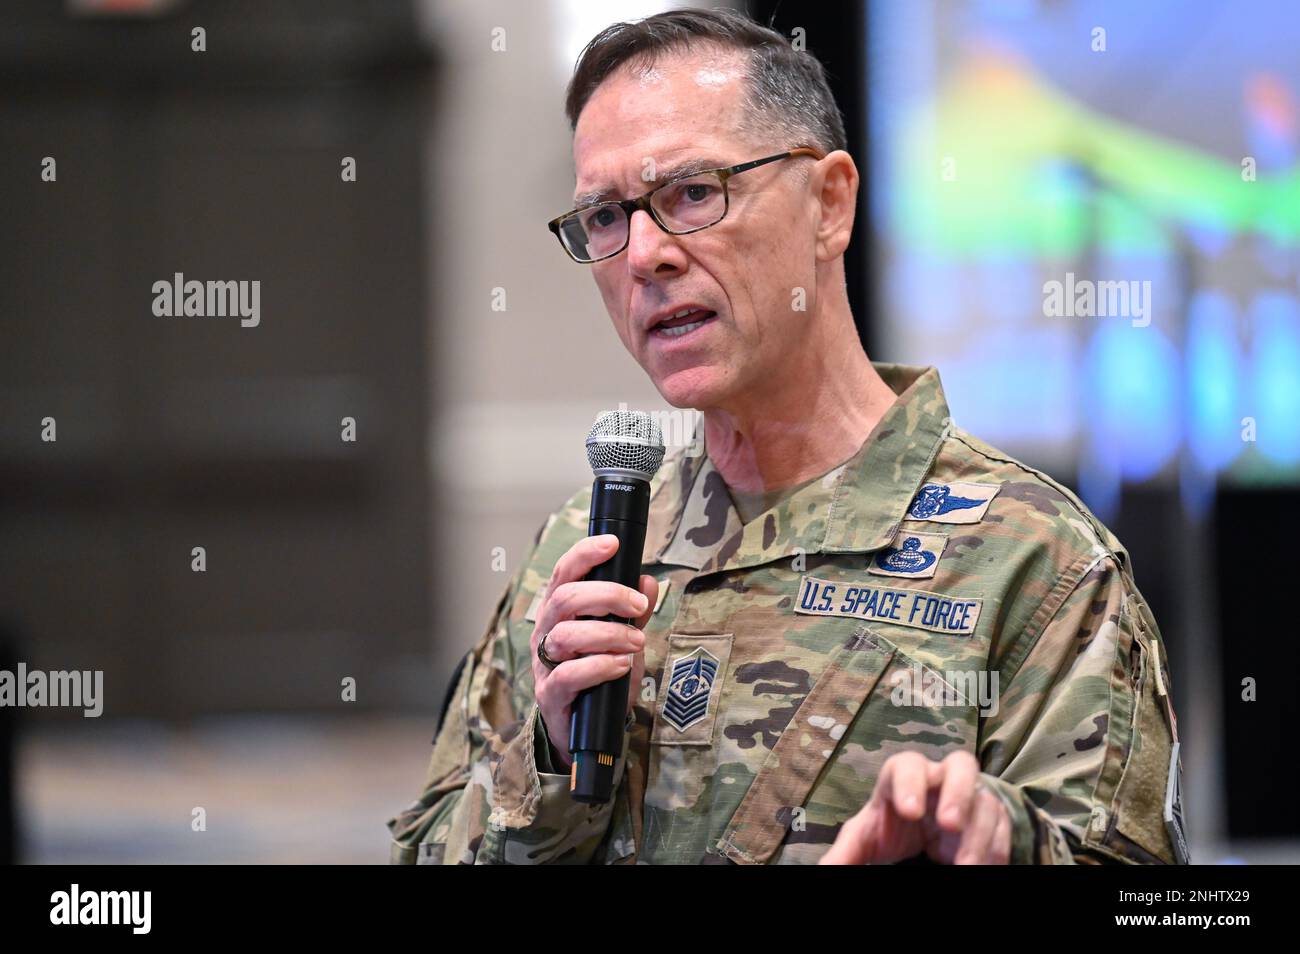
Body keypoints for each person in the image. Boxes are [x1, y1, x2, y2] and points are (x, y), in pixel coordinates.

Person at [387, 7, 1186, 865]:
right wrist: (547, 759)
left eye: (692, 193)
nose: (644, 255)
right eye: (607, 217)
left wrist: (1009, 848)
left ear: (829, 204)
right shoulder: (584, 554)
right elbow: (425, 848)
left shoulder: (1034, 564)